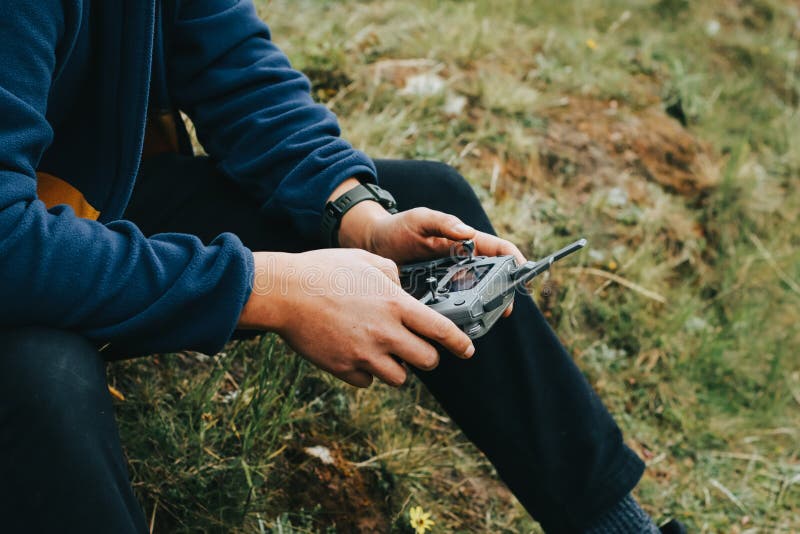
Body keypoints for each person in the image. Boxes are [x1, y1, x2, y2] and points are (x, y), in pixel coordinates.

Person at [0, 1, 685, 532]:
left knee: (433, 204)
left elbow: (235, 74)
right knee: (41, 375)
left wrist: (360, 218)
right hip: (17, 245)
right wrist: (274, 290)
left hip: (72, 202)